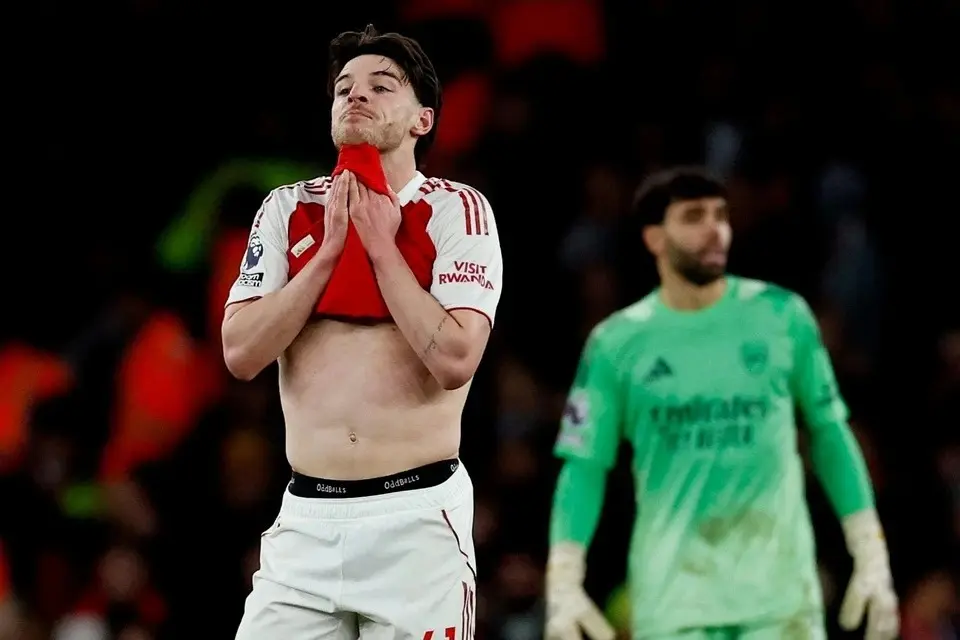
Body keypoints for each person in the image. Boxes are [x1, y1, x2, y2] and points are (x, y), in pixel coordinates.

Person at [222, 25, 502, 640]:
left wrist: (379, 246)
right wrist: (327, 254)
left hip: (416, 522)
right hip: (306, 521)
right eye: (344, 87)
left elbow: (456, 358)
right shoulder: (287, 207)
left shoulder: (457, 209)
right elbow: (240, 353)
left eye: (382, 85)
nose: (357, 95)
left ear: (423, 120)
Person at [545, 167, 898, 640]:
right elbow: (584, 467)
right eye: (694, 217)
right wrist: (564, 577)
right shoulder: (615, 343)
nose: (715, 229)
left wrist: (870, 549)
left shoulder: (783, 316)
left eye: (721, 215)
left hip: (781, 604)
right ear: (654, 238)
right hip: (674, 607)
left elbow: (830, 434)